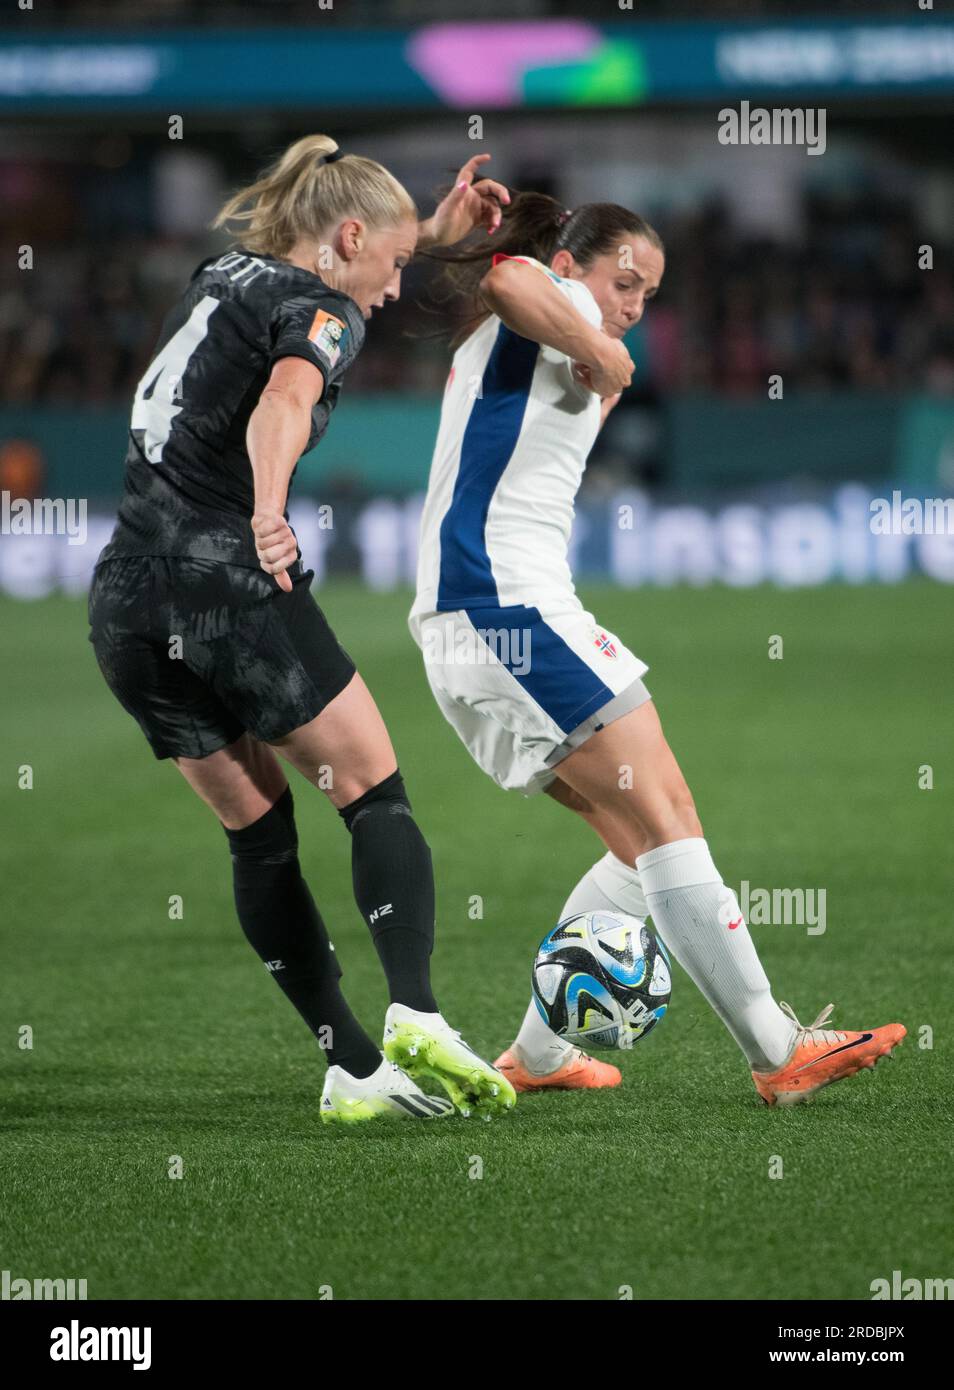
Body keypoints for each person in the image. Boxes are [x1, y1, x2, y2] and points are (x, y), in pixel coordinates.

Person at [410, 191, 905, 1104]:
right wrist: (597, 344)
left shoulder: (554, 333)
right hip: (502, 609)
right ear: (572, 268)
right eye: (621, 282)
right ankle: (777, 1050)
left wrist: (598, 347)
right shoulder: (543, 312)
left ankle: (540, 1056)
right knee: (668, 803)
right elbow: (511, 275)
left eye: (647, 293)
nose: (633, 305)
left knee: (640, 842)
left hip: (477, 620)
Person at [88, 135, 518, 1125]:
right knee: (373, 793)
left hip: (124, 599)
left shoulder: (223, 272)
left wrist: (435, 232)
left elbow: (285, 326)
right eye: (395, 265)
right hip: (223, 579)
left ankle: (355, 1070)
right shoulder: (320, 306)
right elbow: (283, 399)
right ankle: (415, 1011)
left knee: (260, 836)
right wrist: (269, 510)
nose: (394, 292)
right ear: (349, 237)